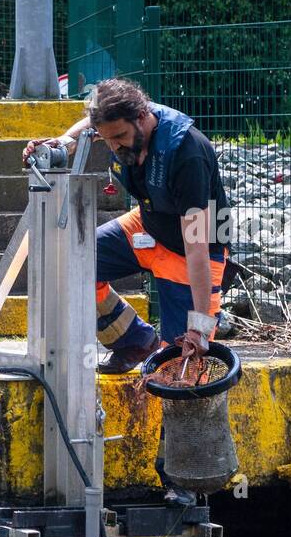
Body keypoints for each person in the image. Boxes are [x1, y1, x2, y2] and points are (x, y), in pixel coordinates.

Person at [24, 78, 231, 507]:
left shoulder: (187, 153)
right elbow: (89, 124)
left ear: (142, 119)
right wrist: (62, 139)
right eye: (107, 138)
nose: (115, 147)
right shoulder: (120, 121)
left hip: (195, 250)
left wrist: (200, 323)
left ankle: (182, 481)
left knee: (184, 363)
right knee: (74, 262)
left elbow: (197, 245)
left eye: (120, 138)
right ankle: (135, 341)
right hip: (148, 226)